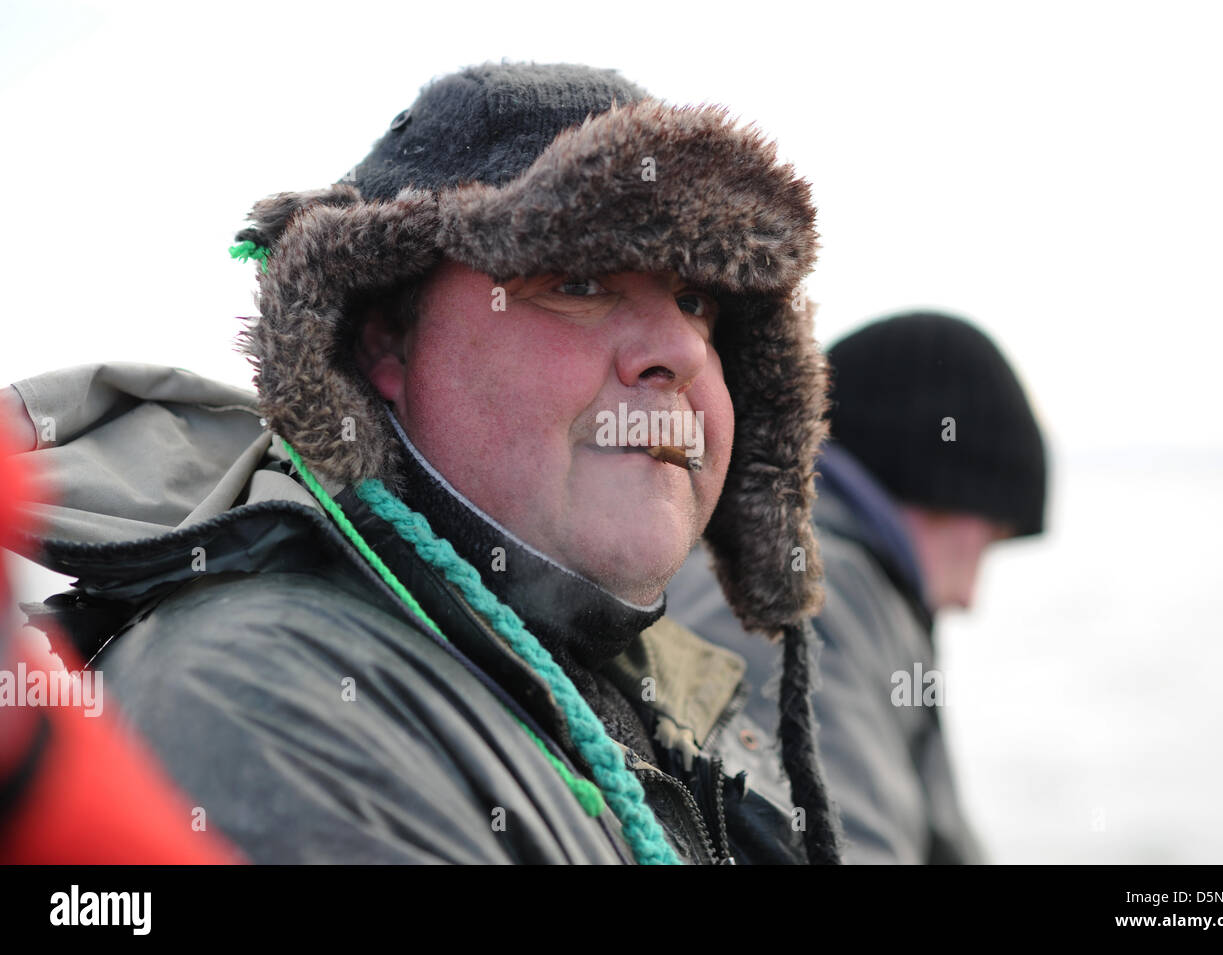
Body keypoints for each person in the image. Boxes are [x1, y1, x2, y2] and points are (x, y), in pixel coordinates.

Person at [1, 61, 840, 864]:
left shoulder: (647, 704)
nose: (679, 350)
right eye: (579, 283)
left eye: (698, 302)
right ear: (384, 345)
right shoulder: (272, 700)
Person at [668, 310, 1048, 863]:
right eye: (989, 541)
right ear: (938, 495)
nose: (970, 598)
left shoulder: (841, 583)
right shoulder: (805, 599)